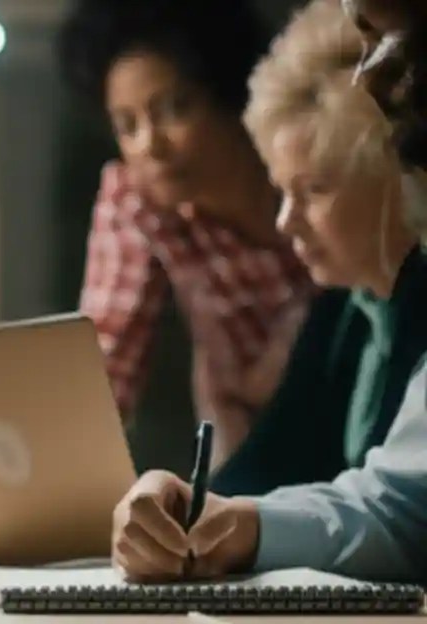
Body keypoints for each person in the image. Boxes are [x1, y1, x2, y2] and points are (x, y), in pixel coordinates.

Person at [111, 0, 427, 583]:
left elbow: (399, 515)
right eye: (281, 192)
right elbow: (266, 478)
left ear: (394, 175)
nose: (285, 223)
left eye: (313, 190)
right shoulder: (342, 312)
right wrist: (185, 502)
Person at [58, 0, 316, 465]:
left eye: (175, 108)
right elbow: (108, 354)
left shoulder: (304, 168)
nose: (150, 144)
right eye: (126, 124)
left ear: (228, 96)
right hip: (246, 439)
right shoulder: (138, 200)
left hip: (364, 421)